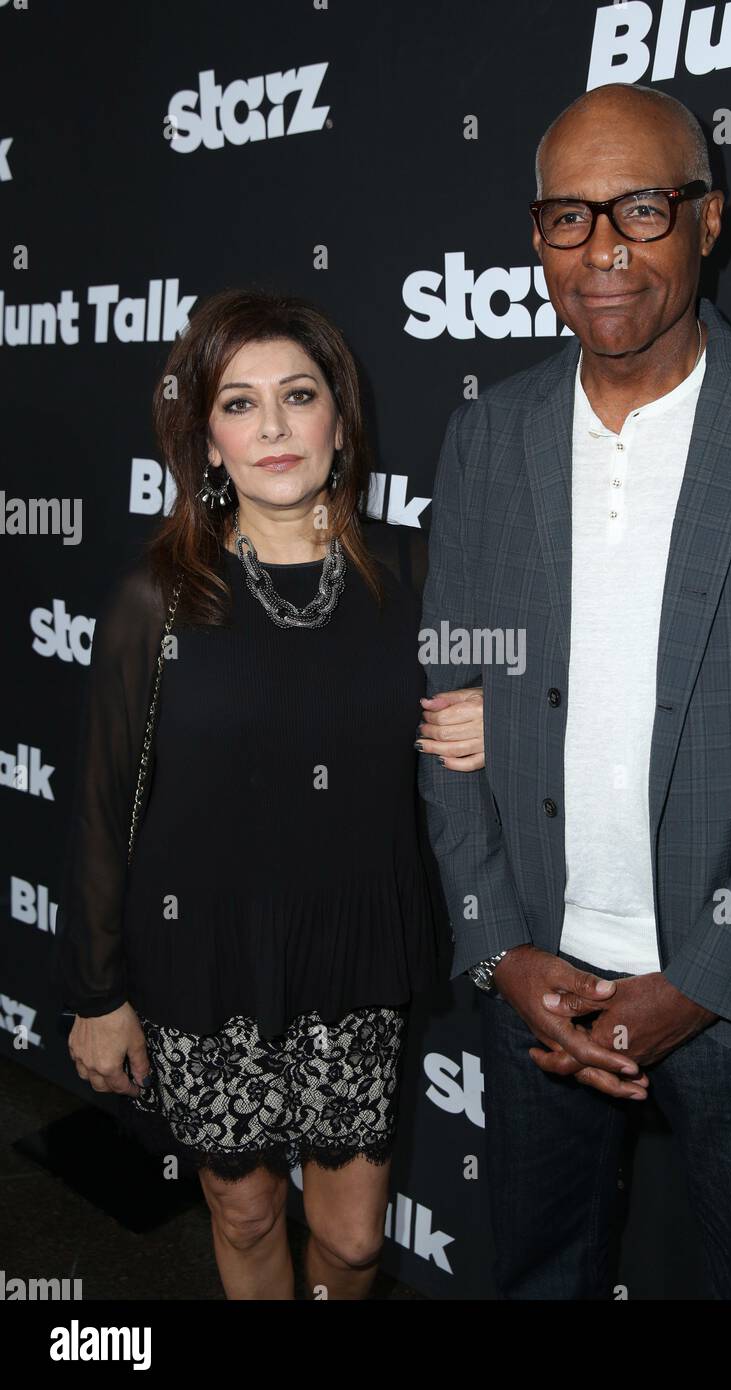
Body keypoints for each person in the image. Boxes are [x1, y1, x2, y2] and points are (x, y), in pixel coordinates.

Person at [418, 82, 731, 1299]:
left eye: (640, 208)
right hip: (541, 981)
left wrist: (694, 984)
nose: (603, 254)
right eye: (566, 219)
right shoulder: (492, 435)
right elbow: (451, 704)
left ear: (708, 221)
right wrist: (499, 950)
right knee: (535, 1278)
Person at [55, 287, 485, 1301]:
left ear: (339, 418)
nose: (274, 426)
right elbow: (104, 807)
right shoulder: (158, 595)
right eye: (239, 404)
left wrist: (500, 726)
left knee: (351, 1244)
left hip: (354, 952)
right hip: (203, 957)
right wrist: (97, 993)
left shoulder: (412, 574)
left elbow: (509, 717)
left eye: (297, 395)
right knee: (244, 1212)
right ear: (206, 440)